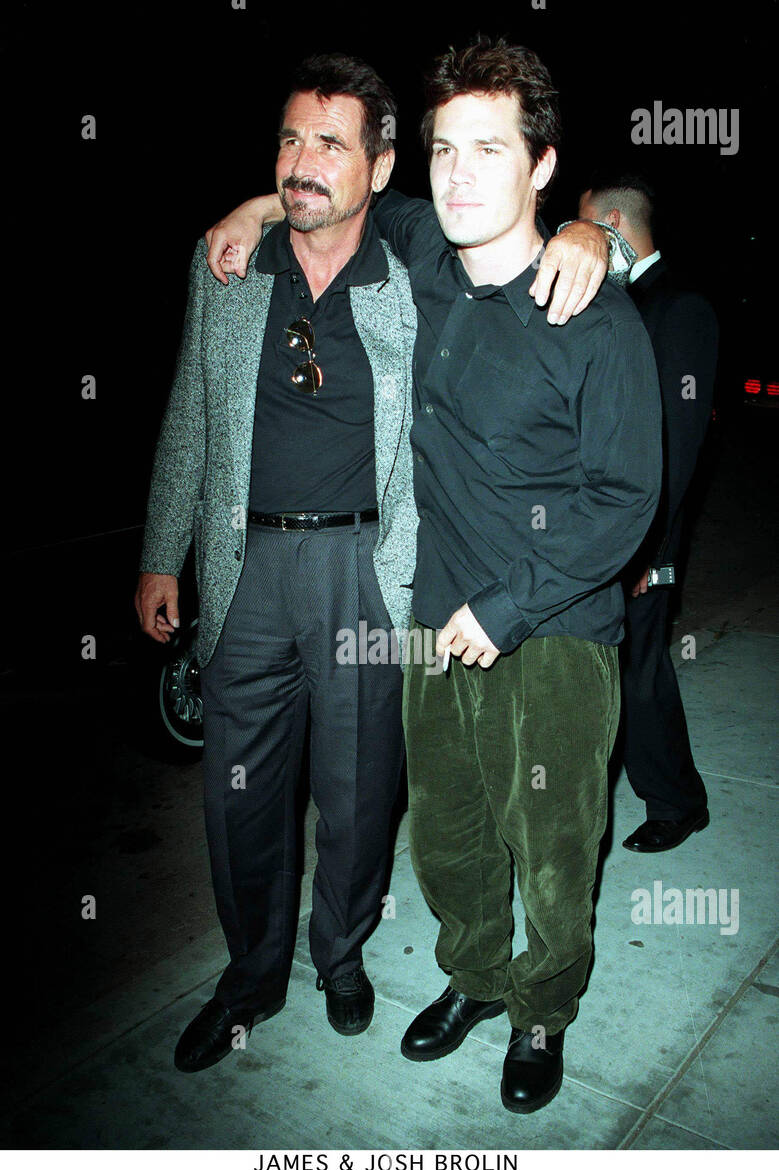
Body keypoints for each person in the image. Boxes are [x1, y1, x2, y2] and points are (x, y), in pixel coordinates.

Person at [206, 38, 662, 1115]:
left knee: (549, 845)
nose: (458, 174)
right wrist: (251, 210)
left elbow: (623, 501)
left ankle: (541, 1009)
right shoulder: (421, 257)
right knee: (449, 832)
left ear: (540, 166)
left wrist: (594, 234)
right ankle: (474, 977)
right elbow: (321, 190)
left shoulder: (594, 318)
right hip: (426, 613)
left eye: (489, 150)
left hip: (549, 625)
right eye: (445, 148)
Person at [579, 175, 718, 852]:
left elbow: (678, 443)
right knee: (621, 668)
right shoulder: (617, 301)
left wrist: (649, 551)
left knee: (637, 671)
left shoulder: (679, 307)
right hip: (603, 527)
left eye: (584, 228)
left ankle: (676, 802)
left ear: (611, 224)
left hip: (641, 538)